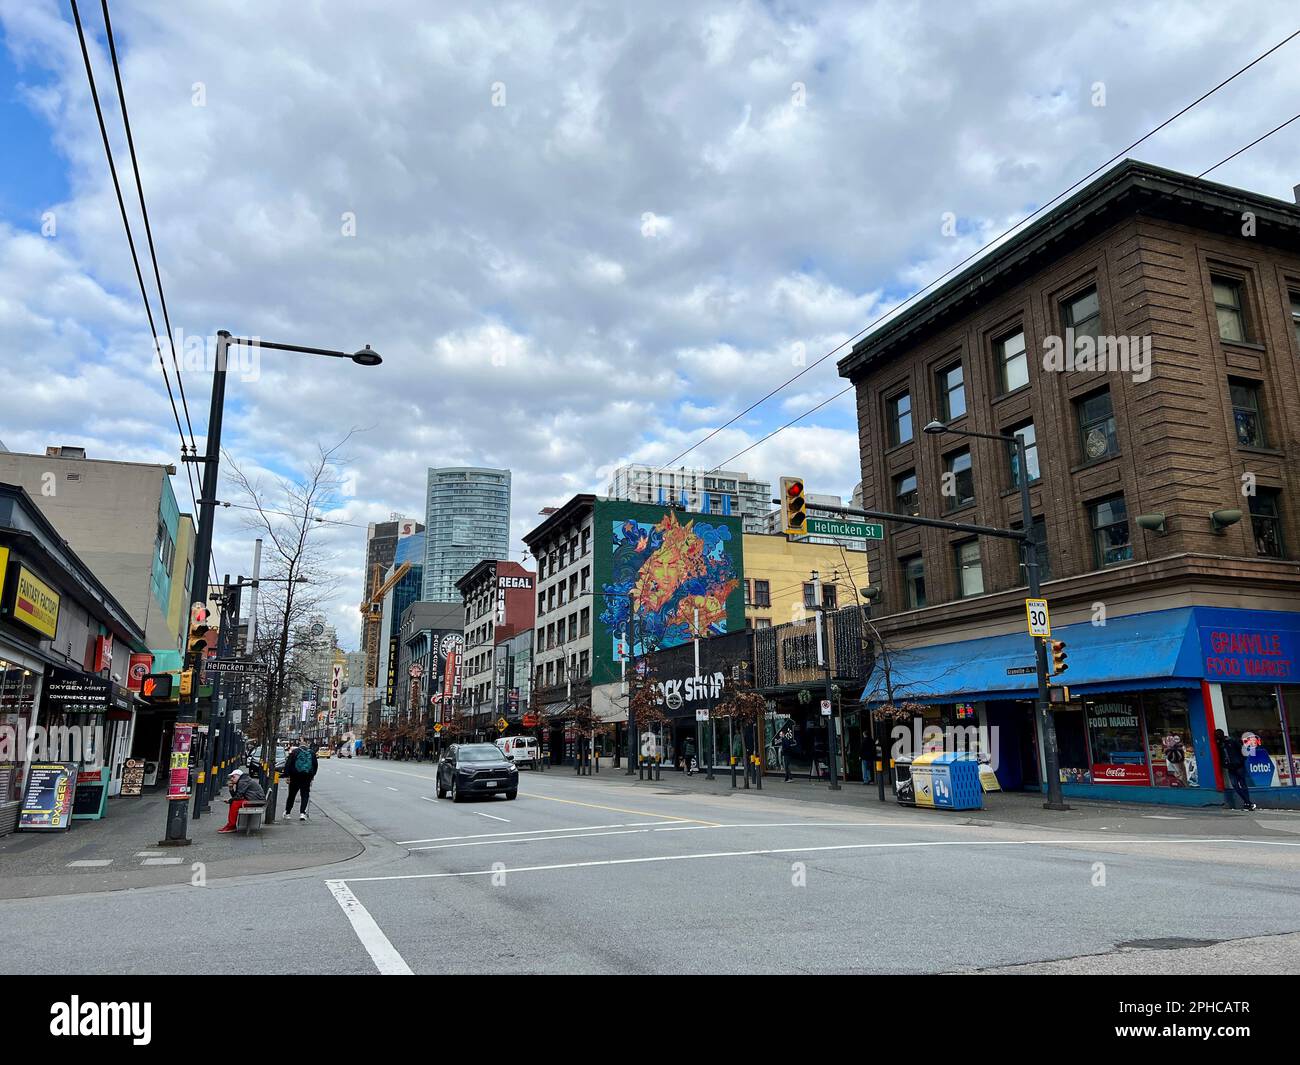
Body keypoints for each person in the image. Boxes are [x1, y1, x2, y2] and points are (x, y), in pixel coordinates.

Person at [1216, 728, 1257, 811]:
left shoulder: (1231, 741)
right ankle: (1248, 802)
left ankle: (1247, 803)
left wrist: (1241, 760)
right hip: (1230, 767)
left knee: (1242, 784)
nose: (1217, 736)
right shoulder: (1220, 744)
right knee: (1235, 785)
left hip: (1238, 766)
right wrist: (1225, 764)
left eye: (1218, 735)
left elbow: (1242, 750)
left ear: (1222, 734)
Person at [218, 767, 265, 833]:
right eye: (231, 777)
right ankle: (231, 825)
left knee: (235, 803)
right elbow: (236, 796)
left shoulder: (243, 781)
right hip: (254, 800)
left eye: (233, 777)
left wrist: (230, 800)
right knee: (234, 802)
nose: (231, 779)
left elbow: (238, 797)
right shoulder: (242, 780)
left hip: (256, 801)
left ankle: (231, 826)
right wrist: (231, 789)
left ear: (238, 776)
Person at [283, 737, 319, 821]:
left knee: (291, 795)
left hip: (295, 777)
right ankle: (302, 813)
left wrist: (287, 776)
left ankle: (287, 813)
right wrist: (312, 776)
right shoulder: (311, 753)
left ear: (299, 745)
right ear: (307, 745)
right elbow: (315, 766)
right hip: (306, 777)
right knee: (305, 795)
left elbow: (288, 764)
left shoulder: (294, 752)